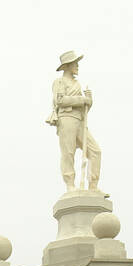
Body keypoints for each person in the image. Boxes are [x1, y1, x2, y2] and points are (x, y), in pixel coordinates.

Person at [46, 51, 102, 191]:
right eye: (74, 63)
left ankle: (93, 185)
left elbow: (84, 109)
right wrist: (82, 100)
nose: (77, 65)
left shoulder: (77, 83)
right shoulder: (59, 82)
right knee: (68, 152)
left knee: (95, 151)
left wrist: (89, 102)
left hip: (80, 120)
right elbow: (60, 100)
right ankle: (70, 184)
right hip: (67, 118)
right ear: (67, 66)